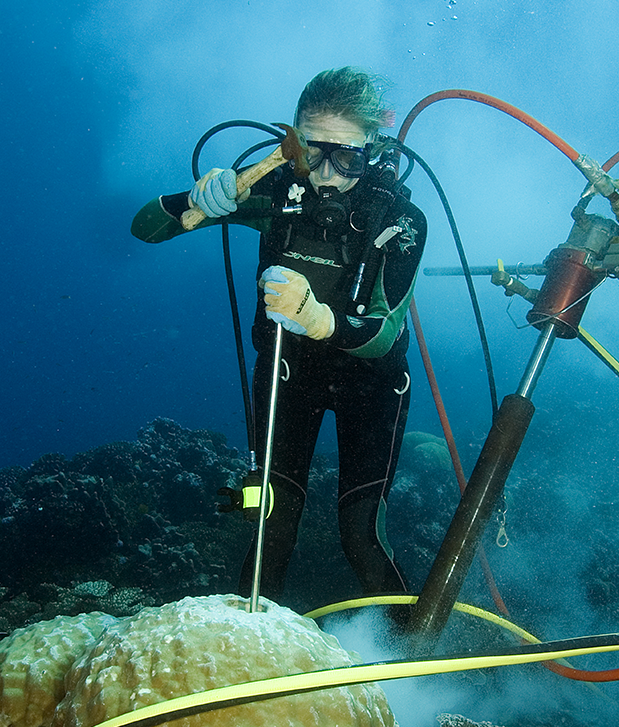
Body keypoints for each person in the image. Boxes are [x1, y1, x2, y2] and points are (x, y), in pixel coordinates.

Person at [131, 67, 427, 603]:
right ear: (291, 140)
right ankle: (246, 663)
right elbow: (146, 227)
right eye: (313, 153)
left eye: (349, 158)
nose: (329, 175)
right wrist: (210, 196)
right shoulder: (272, 190)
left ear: (372, 149)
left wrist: (320, 319)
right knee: (271, 524)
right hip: (289, 374)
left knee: (361, 537)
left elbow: (385, 333)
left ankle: (415, 653)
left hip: (371, 383)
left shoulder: (400, 219)